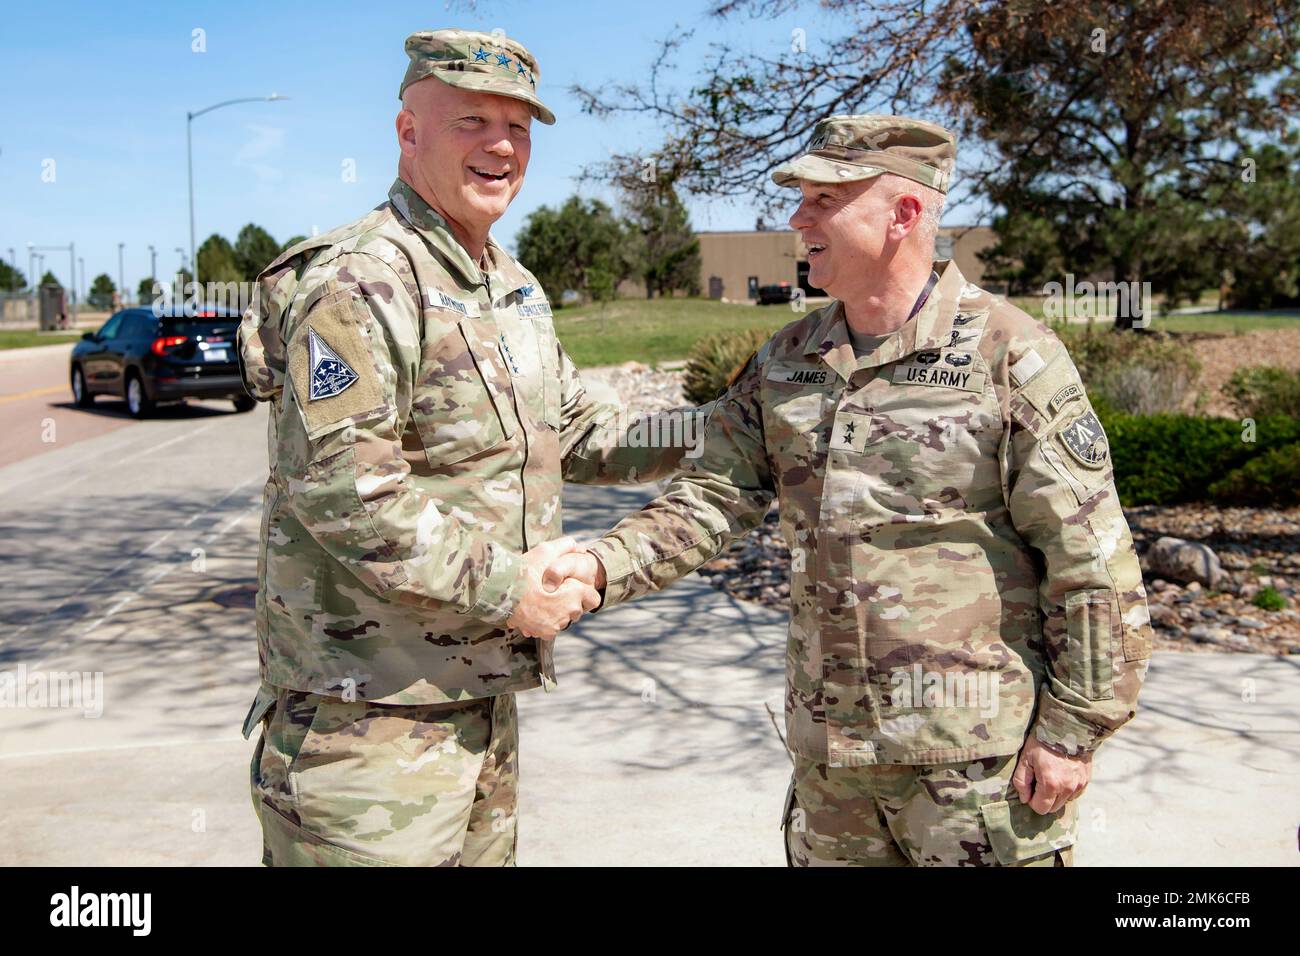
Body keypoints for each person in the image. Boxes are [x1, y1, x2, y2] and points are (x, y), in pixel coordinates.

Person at [550, 115, 1152, 866]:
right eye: (800, 197)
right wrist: (603, 566)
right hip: (832, 764)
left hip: (973, 772)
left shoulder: (1011, 355)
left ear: (904, 214)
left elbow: (1092, 560)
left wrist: (1072, 731)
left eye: (824, 198)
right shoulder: (788, 358)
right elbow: (712, 497)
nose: (798, 218)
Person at [235, 27, 699, 867]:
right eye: (471, 121)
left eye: (518, 127)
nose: (500, 147)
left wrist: (719, 426)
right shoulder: (359, 279)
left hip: (478, 703)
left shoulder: (511, 288)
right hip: (365, 725)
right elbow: (347, 490)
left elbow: (583, 433)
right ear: (408, 131)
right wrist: (506, 591)